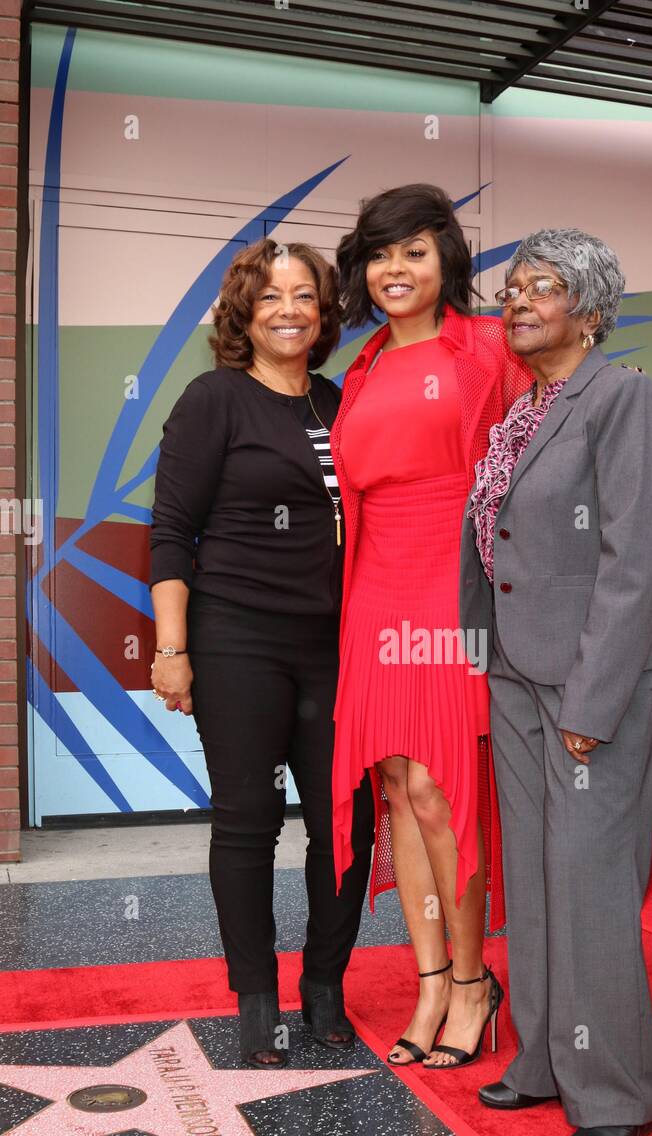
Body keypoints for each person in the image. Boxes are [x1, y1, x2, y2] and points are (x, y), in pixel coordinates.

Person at [460, 227, 652, 1136]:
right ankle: (547, 1061)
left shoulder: (623, 397)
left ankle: (618, 1090)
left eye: (540, 287)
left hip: (601, 674)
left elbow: (634, 561)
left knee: (590, 880)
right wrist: (482, 655)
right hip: (516, 670)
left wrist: (593, 703)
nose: (516, 301)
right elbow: (491, 541)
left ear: (589, 312)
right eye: (512, 287)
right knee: (537, 875)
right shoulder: (524, 409)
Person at [149, 238, 374, 1067]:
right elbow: (171, 532)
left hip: (335, 645)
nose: (290, 309)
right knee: (247, 822)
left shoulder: (337, 400)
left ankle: (324, 984)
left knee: (346, 824)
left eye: (306, 296)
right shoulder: (216, 400)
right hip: (237, 636)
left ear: (326, 313)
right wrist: (173, 649)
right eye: (272, 295)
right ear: (245, 310)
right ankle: (255, 998)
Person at [329, 184, 532, 1069]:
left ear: (446, 257)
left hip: (456, 586)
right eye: (379, 254)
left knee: (443, 793)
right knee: (398, 792)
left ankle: (475, 982)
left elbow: (537, 464)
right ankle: (428, 981)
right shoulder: (364, 366)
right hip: (375, 589)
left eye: (414, 249)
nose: (395, 269)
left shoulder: (490, 348)